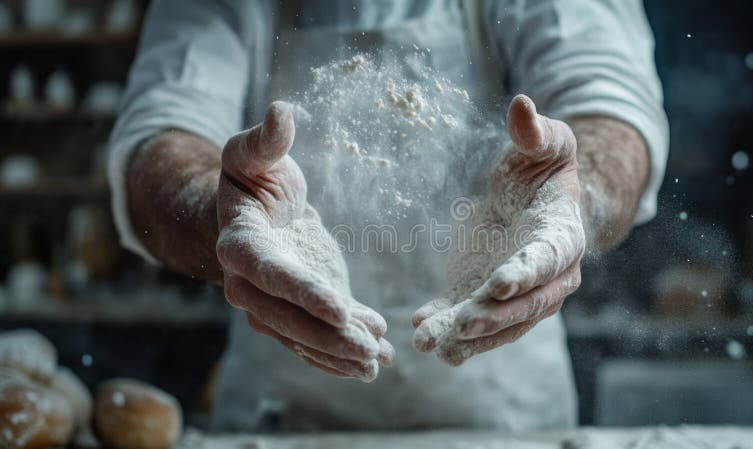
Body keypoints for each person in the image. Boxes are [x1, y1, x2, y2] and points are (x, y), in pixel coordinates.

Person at [109, 0, 668, 432]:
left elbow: (608, 99)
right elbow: (163, 127)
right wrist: (224, 214)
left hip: (504, 418)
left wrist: (570, 200)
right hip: (281, 415)